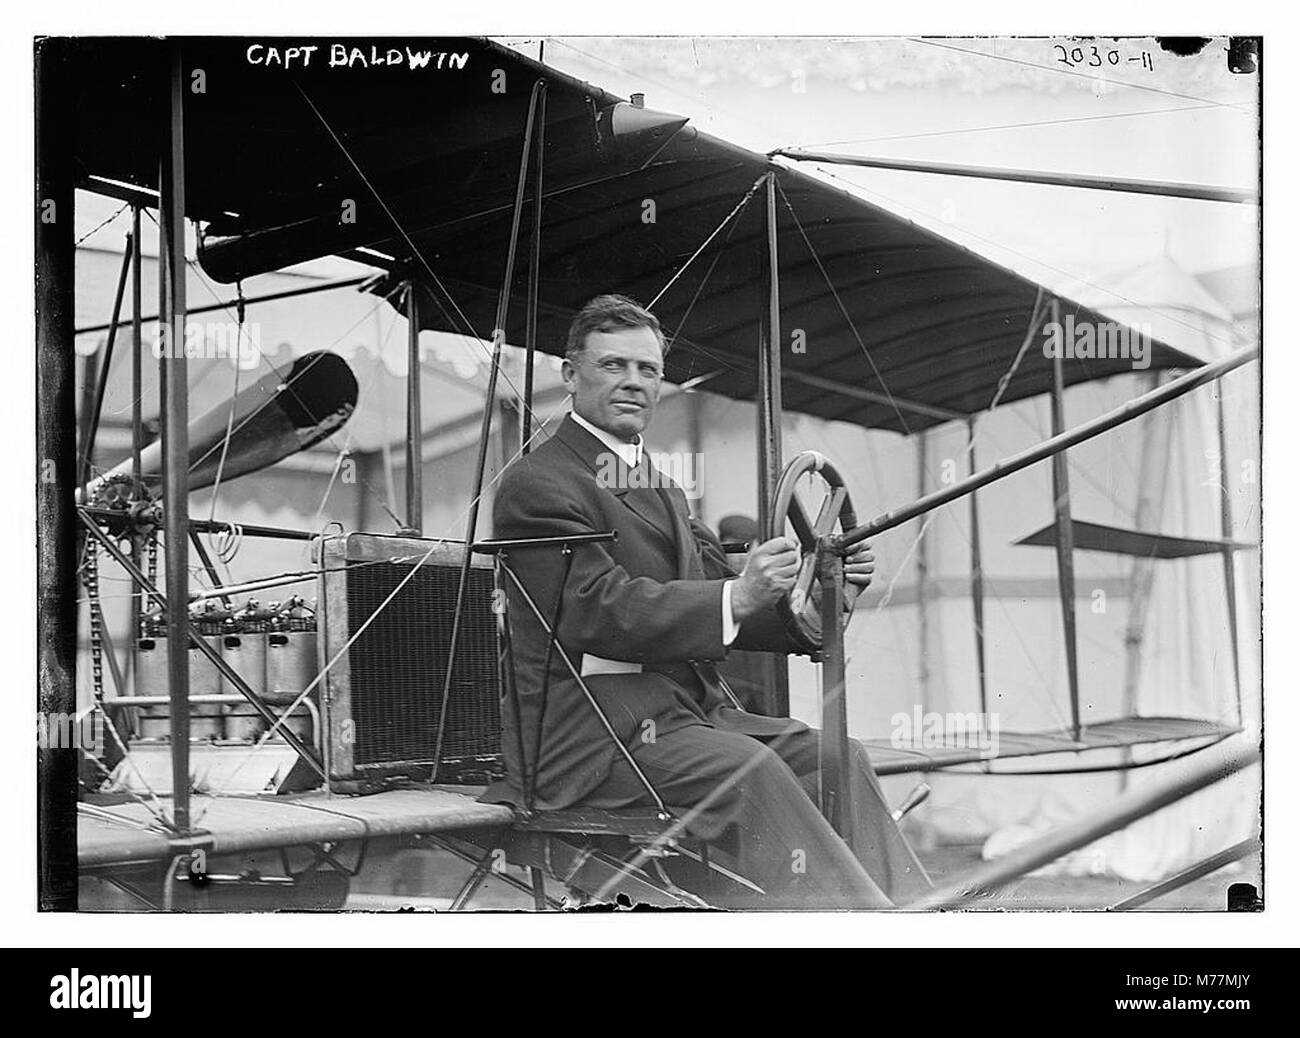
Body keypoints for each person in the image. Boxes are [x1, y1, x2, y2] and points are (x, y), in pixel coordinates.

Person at [482, 294, 929, 908]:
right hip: (587, 733)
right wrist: (738, 592)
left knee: (838, 756)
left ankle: (912, 916)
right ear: (569, 373)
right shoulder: (539, 482)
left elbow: (730, 598)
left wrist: (827, 588)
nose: (633, 383)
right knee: (754, 770)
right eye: (613, 366)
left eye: (648, 370)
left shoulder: (660, 486)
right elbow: (594, 607)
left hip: (680, 717)